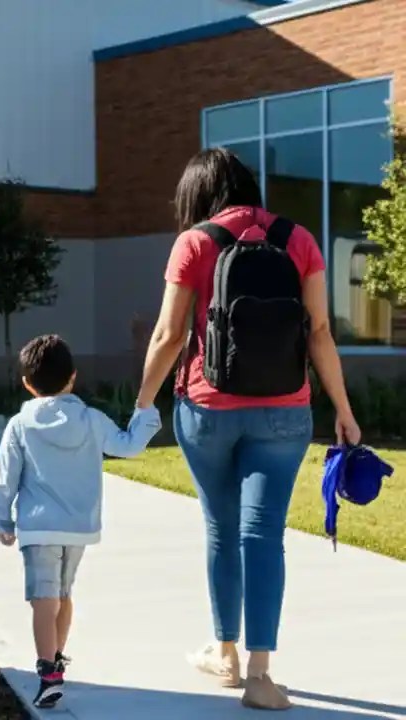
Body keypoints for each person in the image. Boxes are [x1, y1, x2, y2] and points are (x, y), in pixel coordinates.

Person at [135, 148, 361, 711]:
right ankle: (261, 675)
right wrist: (344, 408)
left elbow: (168, 334)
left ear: (199, 194)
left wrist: (142, 403)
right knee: (263, 535)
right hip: (286, 409)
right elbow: (320, 331)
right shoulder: (299, 239)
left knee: (221, 528)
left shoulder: (195, 242)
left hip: (207, 408)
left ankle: (225, 653)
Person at [0, 334, 162, 709]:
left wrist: (2, 517)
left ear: (26, 383)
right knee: (63, 595)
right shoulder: (91, 420)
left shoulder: (20, 425)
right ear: (72, 377)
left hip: (38, 528)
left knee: (42, 600)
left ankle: (47, 671)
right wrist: (146, 413)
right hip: (78, 527)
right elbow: (128, 446)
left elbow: (5, 476)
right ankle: (56, 663)